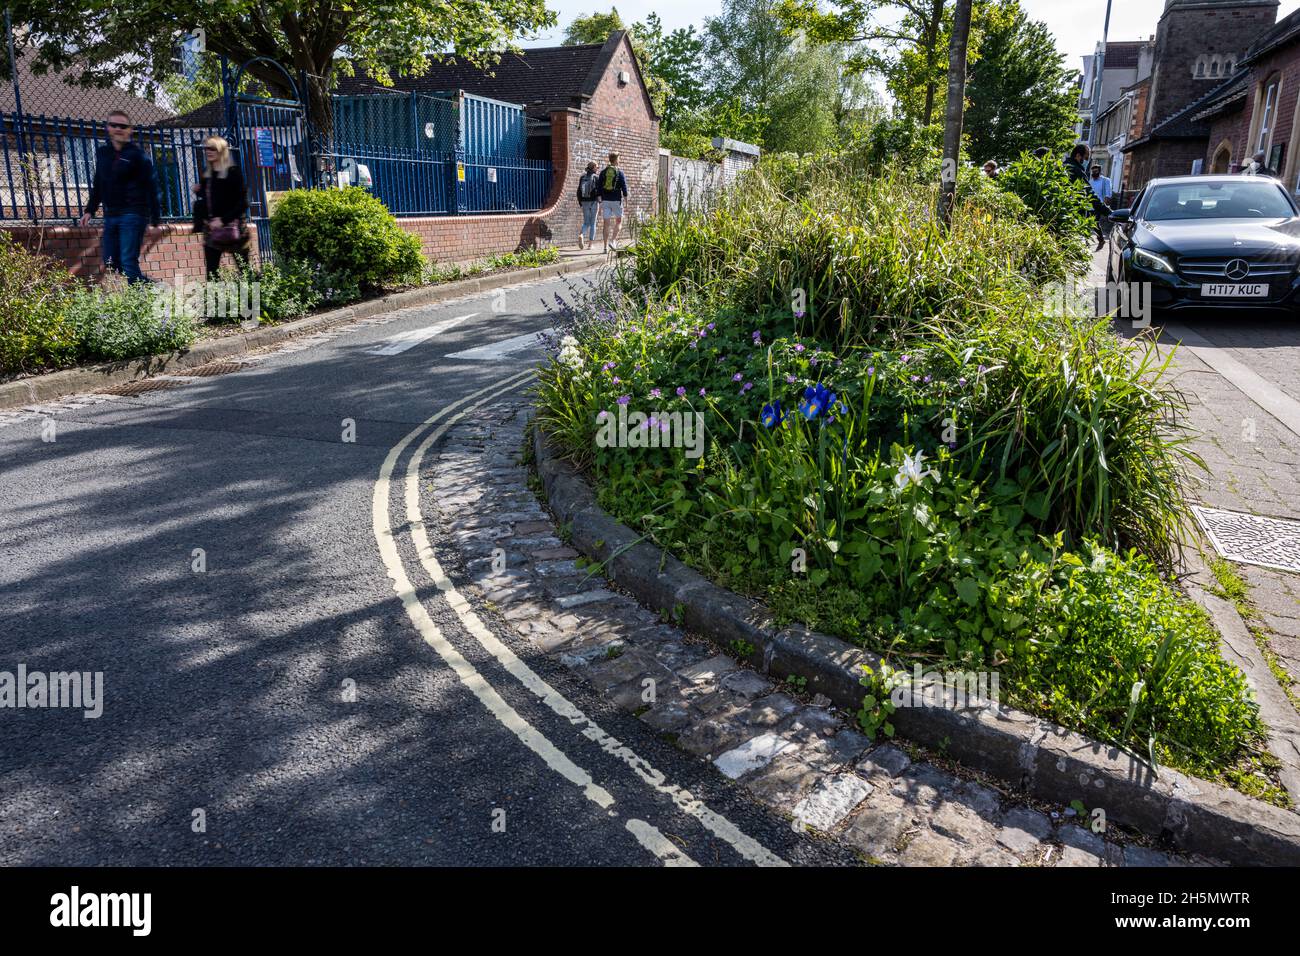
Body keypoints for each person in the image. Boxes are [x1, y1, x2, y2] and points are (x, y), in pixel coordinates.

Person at [79, 110, 161, 283]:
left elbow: (152, 186)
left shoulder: (138, 156)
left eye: (122, 126)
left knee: (127, 261)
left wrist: (155, 219)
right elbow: (99, 183)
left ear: (129, 130)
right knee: (111, 261)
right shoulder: (103, 153)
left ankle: (141, 303)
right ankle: (151, 288)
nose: (118, 129)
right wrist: (90, 210)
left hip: (133, 214)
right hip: (111, 215)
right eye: (113, 125)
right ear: (108, 128)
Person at [191, 136, 250, 278]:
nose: (208, 151)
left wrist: (223, 220)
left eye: (213, 148)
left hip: (235, 229)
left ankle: (254, 300)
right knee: (212, 275)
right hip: (212, 231)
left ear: (222, 151)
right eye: (206, 148)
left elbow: (243, 203)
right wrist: (199, 191)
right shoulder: (207, 175)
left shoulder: (233, 173)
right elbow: (212, 201)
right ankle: (214, 301)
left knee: (246, 272)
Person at [1064, 144, 1111, 250]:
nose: (1087, 161)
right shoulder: (1077, 171)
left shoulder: (1064, 166)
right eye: (1086, 158)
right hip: (1073, 217)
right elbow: (1091, 194)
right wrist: (1109, 212)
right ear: (1078, 156)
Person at [597, 151, 629, 253]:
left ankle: (605, 248)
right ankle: (613, 240)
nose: (619, 160)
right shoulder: (620, 173)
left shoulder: (603, 172)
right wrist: (626, 200)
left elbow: (598, 187)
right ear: (616, 160)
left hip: (605, 201)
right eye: (619, 158)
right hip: (616, 201)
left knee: (606, 224)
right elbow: (624, 188)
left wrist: (600, 199)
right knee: (619, 221)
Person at [576, 161, 600, 249]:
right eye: (597, 167)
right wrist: (599, 200)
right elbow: (599, 191)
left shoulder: (582, 177)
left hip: (584, 202)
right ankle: (590, 245)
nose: (597, 169)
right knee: (593, 223)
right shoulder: (596, 178)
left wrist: (580, 202)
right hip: (593, 202)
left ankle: (581, 234)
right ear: (593, 168)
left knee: (586, 222)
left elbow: (578, 191)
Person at [1089, 163, 1114, 246]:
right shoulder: (1090, 181)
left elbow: (1108, 193)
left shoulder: (1105, 180)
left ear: (1099, 171)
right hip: (1090, 205)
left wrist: (1105, 203)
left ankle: (1101, 239)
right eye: (1092, 171)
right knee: (1092, 223)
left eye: (1095, 171)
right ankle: (1100, 239)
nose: (1093, 173)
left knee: (1094, 222)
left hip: (1100, 205)